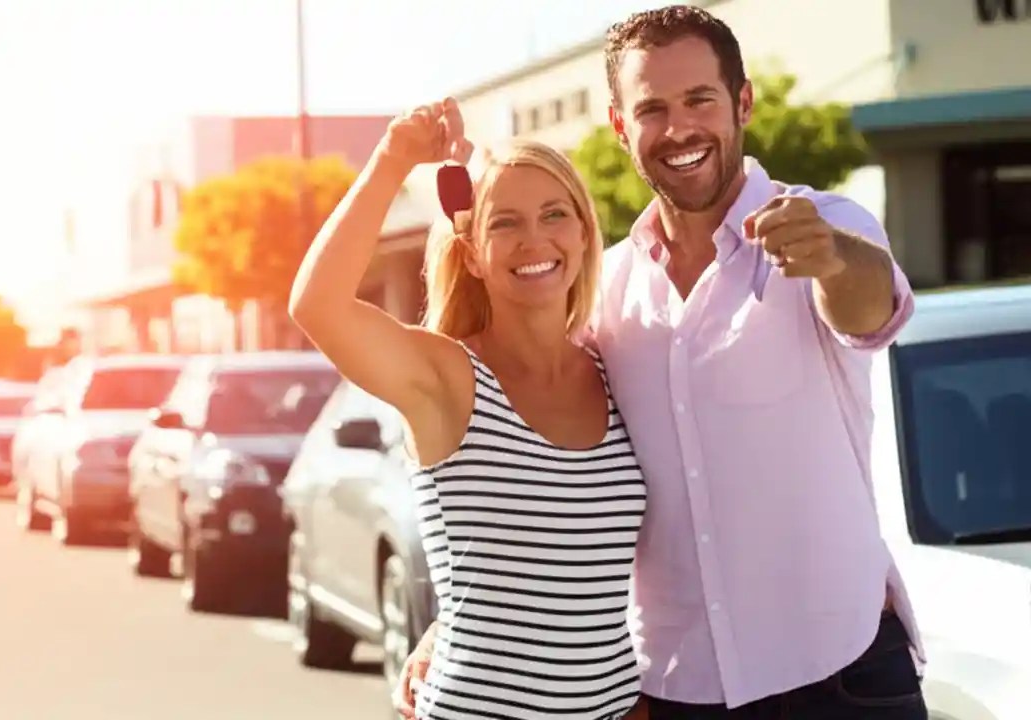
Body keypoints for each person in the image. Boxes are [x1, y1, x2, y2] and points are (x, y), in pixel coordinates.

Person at [395, 6, 927, 720]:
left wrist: (831, 257)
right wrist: (457, 622)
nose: (679, 129)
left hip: (838, 673)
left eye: (699, 100)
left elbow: (869, 312)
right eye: (652, 109)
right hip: (677, 693)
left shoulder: (824, 228)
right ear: (620, 127)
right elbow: (555, 484)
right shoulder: (604, 292)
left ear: (741, 104)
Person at [289, 101, 648, 719]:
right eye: (505, 223)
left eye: (554, 214)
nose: (534, 239)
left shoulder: (617, 370)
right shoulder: (448, 378)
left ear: (584, 234)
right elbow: (318, 305)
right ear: (474, 252)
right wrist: (392, 160)